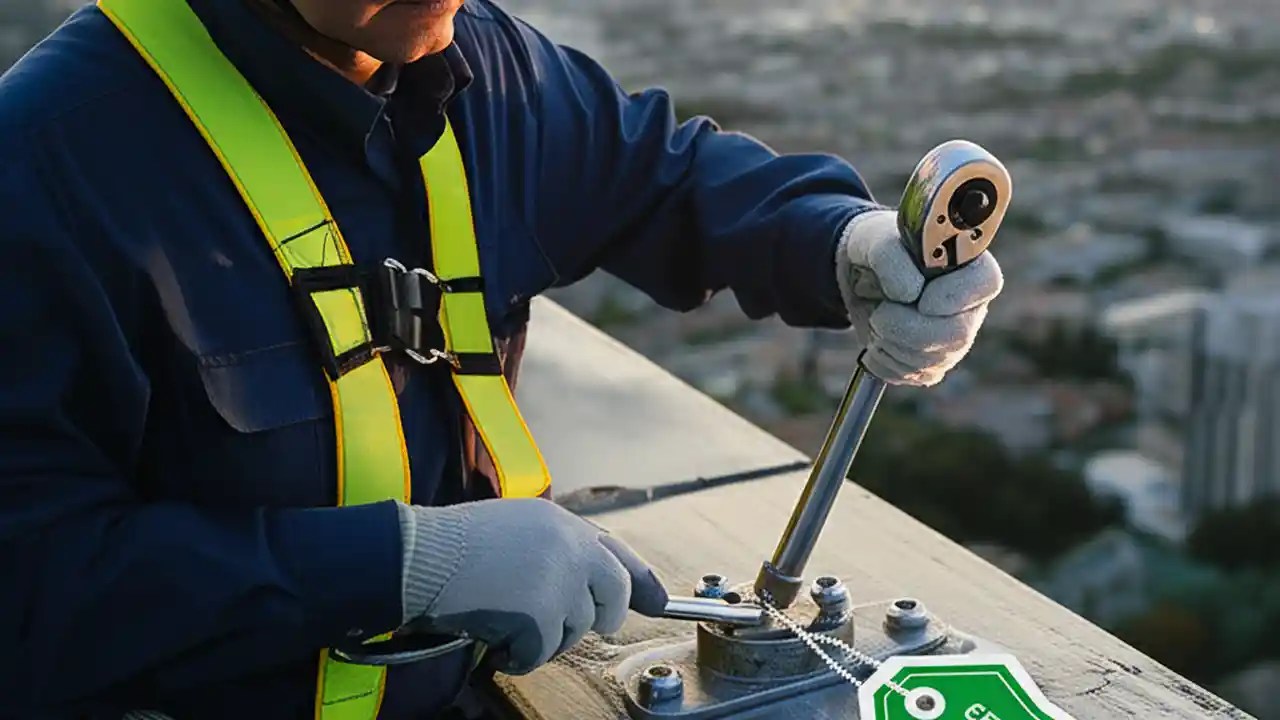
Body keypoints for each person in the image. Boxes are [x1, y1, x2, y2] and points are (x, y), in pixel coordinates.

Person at [0, 0, 1003, 718]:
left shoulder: (477, 66)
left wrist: (842, 246)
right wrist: (398, 565)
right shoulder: (47, 160)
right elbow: (29, 589)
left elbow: (661, 177)